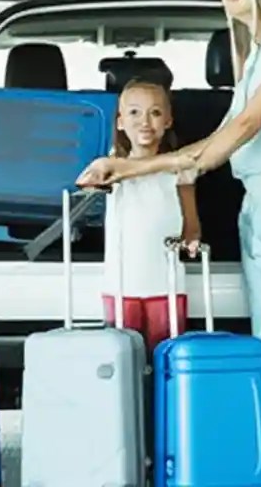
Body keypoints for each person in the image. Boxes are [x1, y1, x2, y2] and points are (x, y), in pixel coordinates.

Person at [77, 0, 261, 487]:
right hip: (259, 207)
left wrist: (136, 168)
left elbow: (242, 127)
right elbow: (230, 134)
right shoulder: (256, 54)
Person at [99, 79, 201, 355]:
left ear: (168, 121)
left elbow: (191, 222)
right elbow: (86, 181)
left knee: (165, 352)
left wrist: (191, 239)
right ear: (120, 122)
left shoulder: (180, 169)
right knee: (124, 355)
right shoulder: (111, 166)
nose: (145, 121)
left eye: (155, 113)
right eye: (134, 112)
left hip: (165, 282)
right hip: (122, 283)